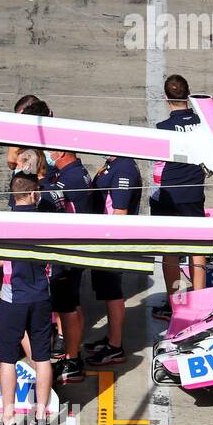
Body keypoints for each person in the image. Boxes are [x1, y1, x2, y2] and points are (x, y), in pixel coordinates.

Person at [0, 174, 56, 425]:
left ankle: (8, 417)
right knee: (42, 357)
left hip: (12, 299)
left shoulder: (3, 222)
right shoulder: (45, 220)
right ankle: (40, 417)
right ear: (33, 193)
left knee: (7, 359)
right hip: (41, 296)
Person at [152, 74, 208, 320]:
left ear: (166, 97)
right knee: (198, 247)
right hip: (194, 192)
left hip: (170, 194)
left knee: (170, 250)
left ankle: (174, 301)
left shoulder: (163, 128)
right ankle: (200, 298)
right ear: (189, 94)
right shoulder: (203, 123)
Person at [85, 150, 144, 367]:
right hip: (104, 240)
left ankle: (115, 346)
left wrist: (107, 244)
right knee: (108, 291)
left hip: (111, 243)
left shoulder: (124, 169)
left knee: (113, 293)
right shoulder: (115, 164)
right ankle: (111, 339)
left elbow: (120, 212)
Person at [42, 149, 96, 384]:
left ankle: (73, 360)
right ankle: (73, 356)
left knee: (68, 307)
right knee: (71, 304)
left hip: (67, 255)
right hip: (73, 251)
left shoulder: (69, 180)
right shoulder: (77, 173)